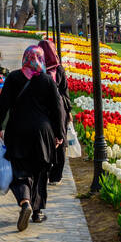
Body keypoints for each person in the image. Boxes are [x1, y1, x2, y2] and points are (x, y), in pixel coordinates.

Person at [0, 45, 65, 231]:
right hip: (43, 132)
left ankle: (25, 202)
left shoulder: (14, 77)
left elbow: (3, 104)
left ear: (25, 58)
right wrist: (59, 134)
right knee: (40, 171)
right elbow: (58, 109)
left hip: (17, 130)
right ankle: (38, 212)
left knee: (19, 170)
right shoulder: (47, 80)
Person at [37, 38, 72, 185]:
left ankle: (45, 169)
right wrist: (68, 110)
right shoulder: (59, 69)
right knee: (60, 139)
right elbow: (65, 91)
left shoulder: (37, 69)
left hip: (43, 109)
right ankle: (56, 175)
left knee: (46, 139)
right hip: (60, 109)